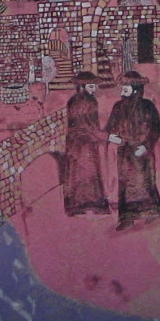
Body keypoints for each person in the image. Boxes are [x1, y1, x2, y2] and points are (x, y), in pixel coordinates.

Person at [104, 71, 160, 231]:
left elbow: (157, 128)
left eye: (126, 87)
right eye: (122, 86)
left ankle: (152, 211)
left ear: (135, 89)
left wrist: (146, 145)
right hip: (125, 151)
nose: (122, 89)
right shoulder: (118, 107)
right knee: (126, 185)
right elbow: (109, 127)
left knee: (145, 182)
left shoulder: (147, 106)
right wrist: (110, 137)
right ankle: (127, 218)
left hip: (142, 151)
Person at [62, 72, 110, 216]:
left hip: (78, 142)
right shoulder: (86, 101)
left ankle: (77, 205)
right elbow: (87, 125)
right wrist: (105, 136)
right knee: (86, 172)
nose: (94, 88)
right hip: (83, 143)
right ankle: (89, 204)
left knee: (79, 173)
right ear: (82, 87)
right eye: (91, 86)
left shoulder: (76, 100)